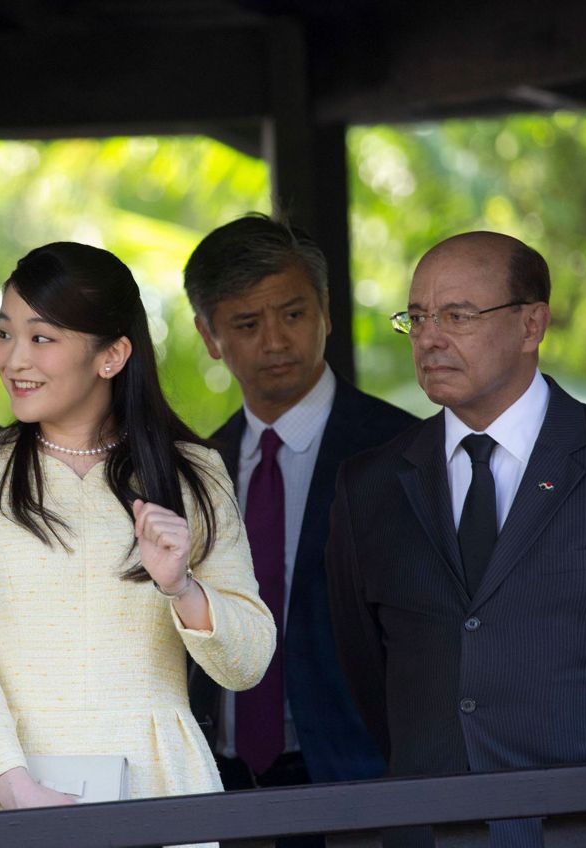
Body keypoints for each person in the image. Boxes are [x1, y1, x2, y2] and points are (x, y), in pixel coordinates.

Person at [0, 241, 276, 817]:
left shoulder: (193, 472)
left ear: (111, 356)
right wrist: (14, 788)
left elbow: (248, 662)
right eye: (5, 333)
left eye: (41, 338)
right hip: (12, 784)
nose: (11, 359)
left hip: (161, 779)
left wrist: (183, 588)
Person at [325, 232, 586, 846]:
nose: (429, 337)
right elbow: (366, 668)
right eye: (419, 317)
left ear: (532, 324)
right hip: (430, 825)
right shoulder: (369, 485)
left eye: (458, 315)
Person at [182, 213, 416, 797]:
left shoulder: (404, 452)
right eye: (246, 322)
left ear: (327, 312)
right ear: (210, 337)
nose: (276, 340)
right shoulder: (192, 469)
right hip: (219, 783)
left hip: (361, 782)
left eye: (293, 313)